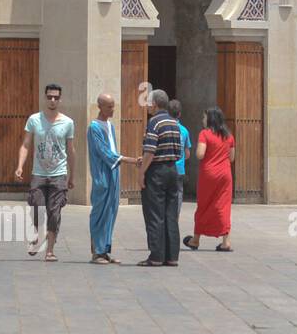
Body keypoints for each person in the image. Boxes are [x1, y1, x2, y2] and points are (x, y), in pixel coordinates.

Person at [15, 83, 76, 262]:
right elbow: (26, 144)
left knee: (54, 212)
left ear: (60, 99)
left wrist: (72, 175)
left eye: (56, 97)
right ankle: (36, 235)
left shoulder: (68, 122)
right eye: (49, 97)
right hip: (39, 173)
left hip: (59, 173)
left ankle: (49, 250)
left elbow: (71, 150)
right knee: (36, 207)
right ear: (45, 97)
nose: (52, 100)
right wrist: (20, 166)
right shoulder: (34, 119)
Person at [86, 93, 138, 264]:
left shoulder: (111, 126)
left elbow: (112, 151)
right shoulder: (94, 128)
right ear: (100, 107)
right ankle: (97, 252)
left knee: (111, 211)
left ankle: (105, 250)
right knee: (100, 212)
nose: (112, 109)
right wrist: (131, 160)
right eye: (109, 106)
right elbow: (105, 153)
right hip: (102, 175)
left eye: (113, 105)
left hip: (113, 173)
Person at [137, 89, 183, 267]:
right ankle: (172, 256)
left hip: (157, 172)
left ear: (155, 104)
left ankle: (156, 255)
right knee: (171, 214)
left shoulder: (154, 122)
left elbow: (150, 150)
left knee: (154, 214)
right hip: (173, 170)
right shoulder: (174, 122)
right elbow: (178, 152)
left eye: (149, 102)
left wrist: (142, 172)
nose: (148, 105)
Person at [185, 107, 236, 252]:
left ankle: (195, 240)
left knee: (204, 205)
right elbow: (231, 158)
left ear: (210, 119)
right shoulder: (229, 136)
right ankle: (226, 241)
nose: (202, 120)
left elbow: (200, 154)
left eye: (204, 117)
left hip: (209, 175)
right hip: (225, 175)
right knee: (223, 206)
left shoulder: (205, 134)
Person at [167, 99, 192, 226]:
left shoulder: (163, 128)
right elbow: (187, 153)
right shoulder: (184, 130)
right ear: (180, 114)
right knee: (178, 195)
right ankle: (175, 219)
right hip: (179, 169)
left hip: (165, 168)